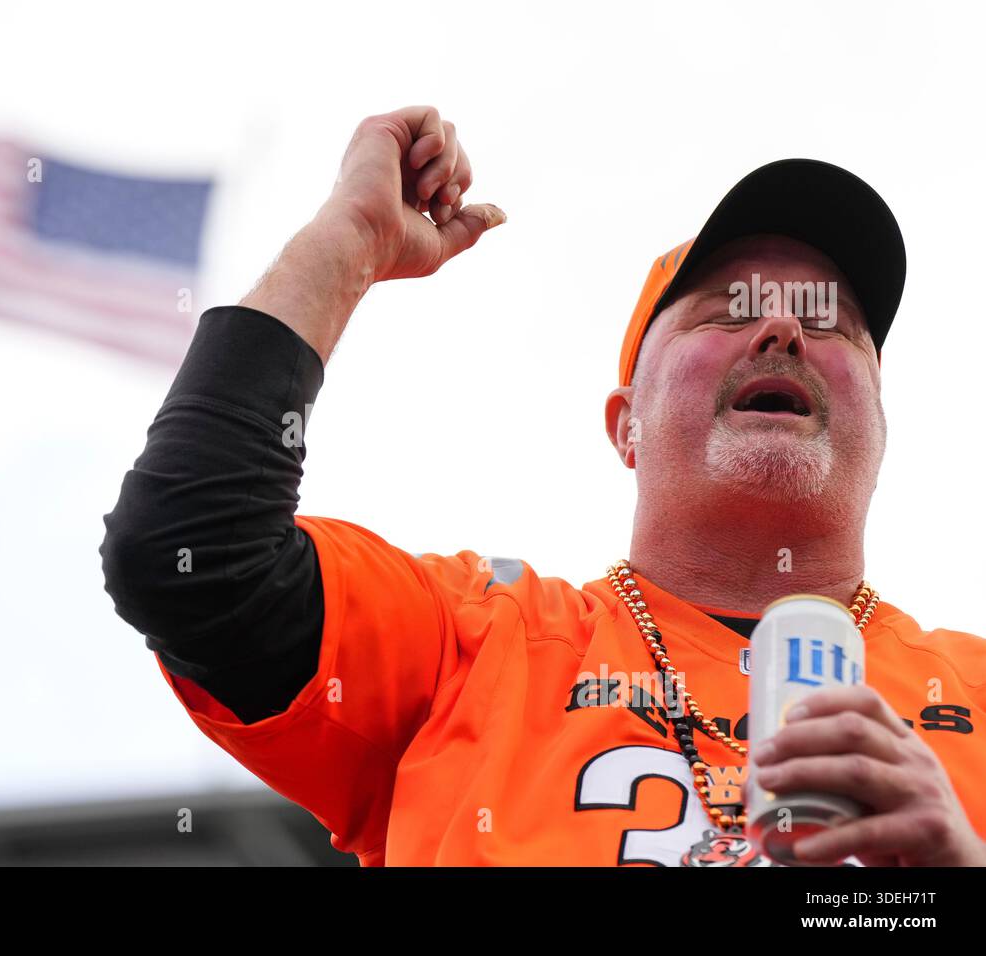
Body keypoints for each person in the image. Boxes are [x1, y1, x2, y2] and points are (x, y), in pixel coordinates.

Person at [99, 105, 986, 866]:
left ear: (880, 421)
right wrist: (349, 243)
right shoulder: (472, 643)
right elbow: (189, 557)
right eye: (729, 311)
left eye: (831, 321)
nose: (785, 330)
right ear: (624, 425)